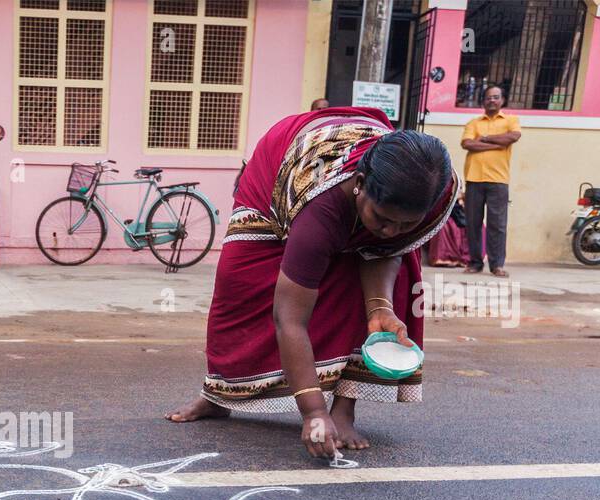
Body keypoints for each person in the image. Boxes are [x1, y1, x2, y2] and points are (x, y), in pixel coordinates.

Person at [167, 107, 457, 459]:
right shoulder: (321, 208)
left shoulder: (435, 194)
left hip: (350, 164)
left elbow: (385, 248)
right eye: (381, 218)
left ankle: (344, 409)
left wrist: (379, 307)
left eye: (405, 223)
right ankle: (219, 394)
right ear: (360, 185)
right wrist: (312, 411)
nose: (390, 230)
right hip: (282, 165)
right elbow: (289, 318)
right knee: (238, 289)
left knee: (380, 286)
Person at [459, 85, 519, 277]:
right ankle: (475, 263)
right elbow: (467, 143)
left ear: (502, 100)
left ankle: (497, 265)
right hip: (474, 178)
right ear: (483, 101)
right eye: (488, 98)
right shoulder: (473, 122)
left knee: (498, 225)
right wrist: (496, 144)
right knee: (473, 223)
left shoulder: (511, 121)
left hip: (498, 180)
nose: (491, 100)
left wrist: (484, 139)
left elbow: (513, 136)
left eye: (495, 97)